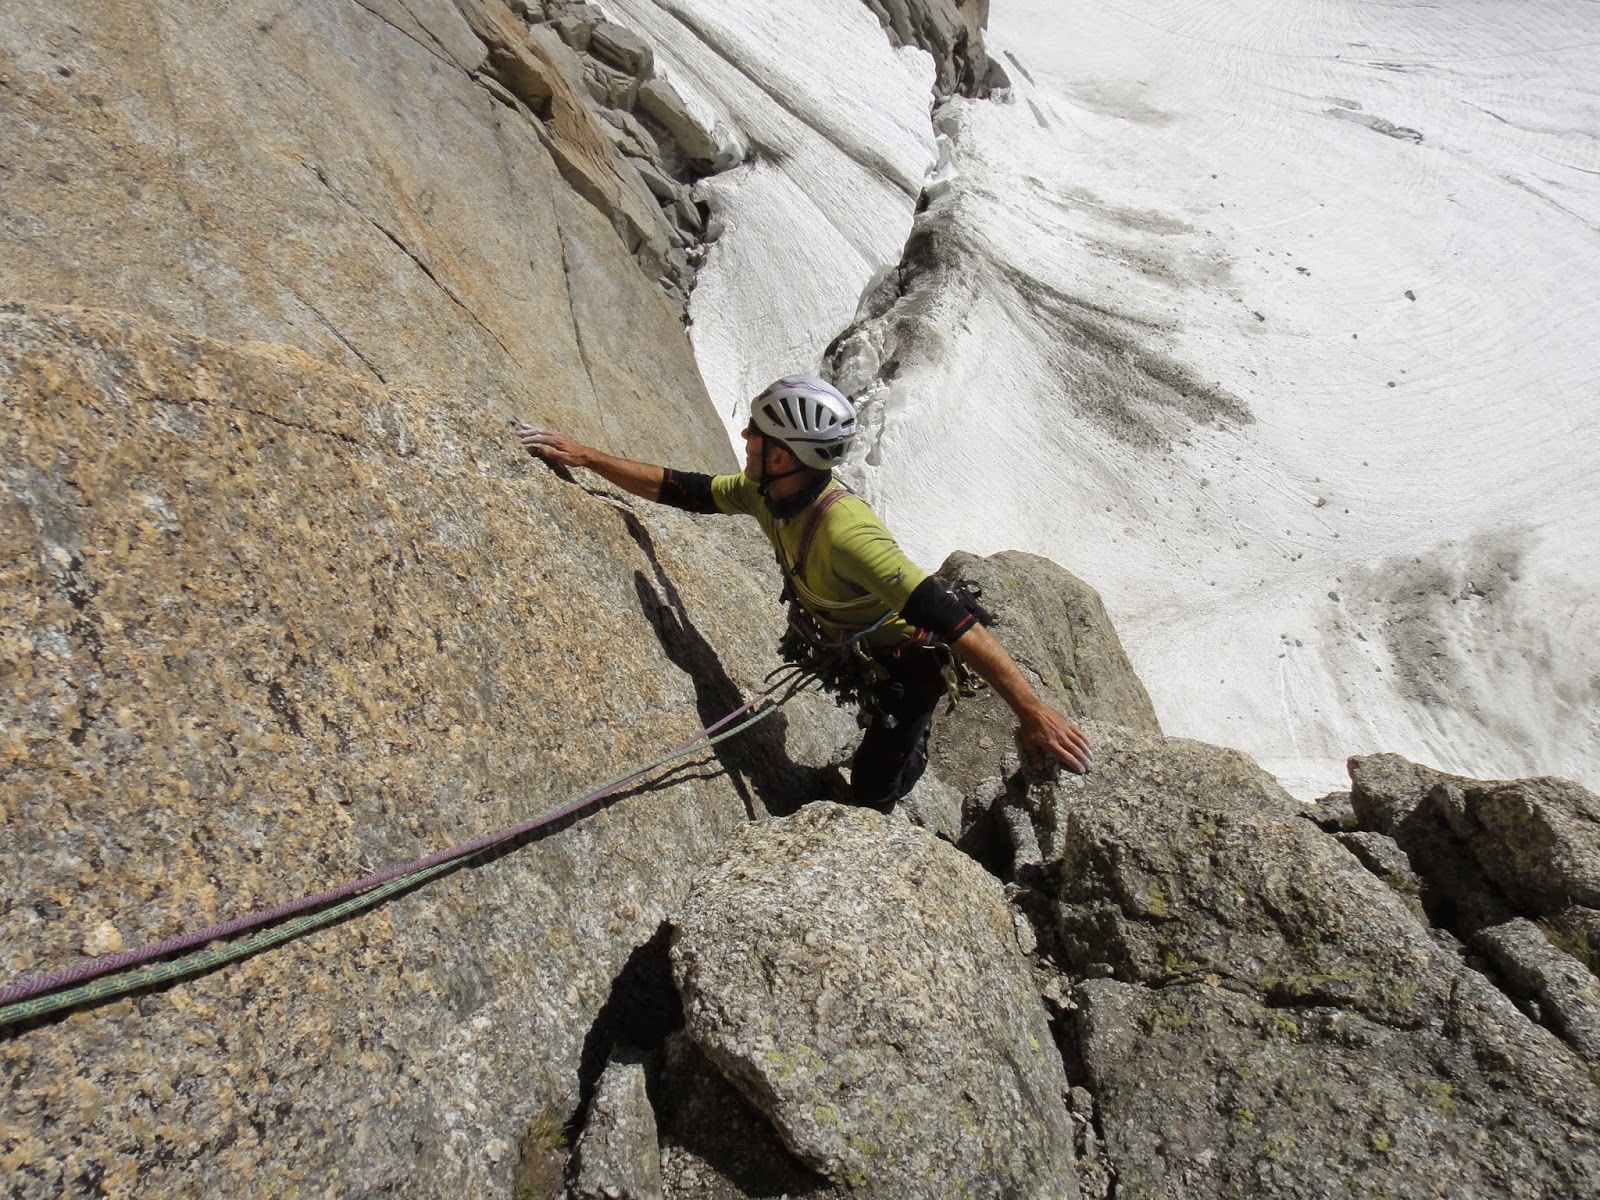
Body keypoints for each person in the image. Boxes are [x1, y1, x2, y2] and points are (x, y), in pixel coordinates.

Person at [517, 374, 1091, 809]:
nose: (745, 436)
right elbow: (685, 490)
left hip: (907, 665)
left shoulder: (847, 533)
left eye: (758, 434)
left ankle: (908, 754)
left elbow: (951, 618)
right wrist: (586, 457)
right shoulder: (765, 492)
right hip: (855, 650)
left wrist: (1032, 710)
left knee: (871, 791)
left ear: (785, 455)